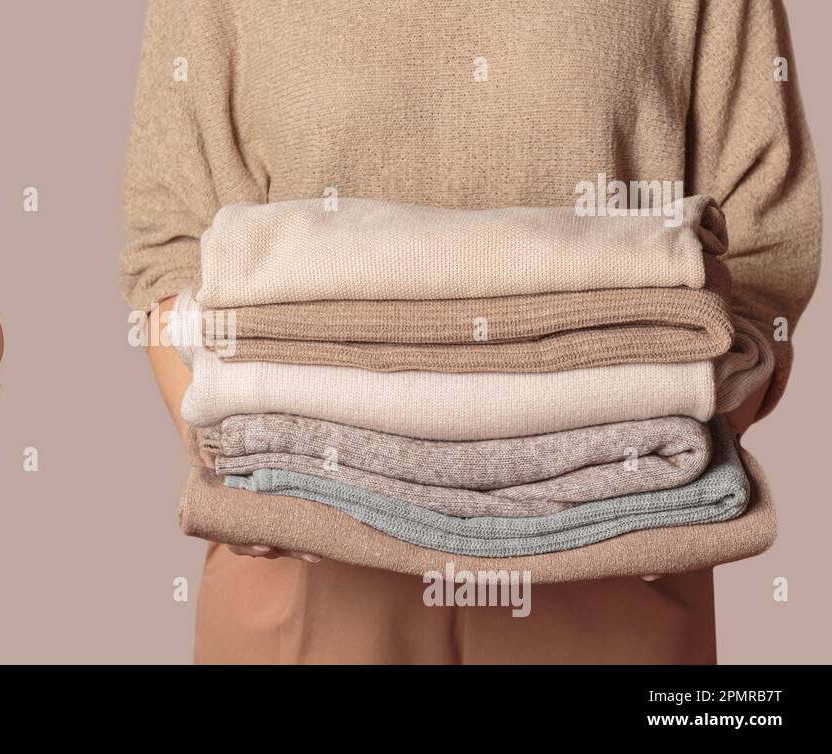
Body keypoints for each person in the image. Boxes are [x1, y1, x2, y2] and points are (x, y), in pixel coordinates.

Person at [119, 0, 821, 663]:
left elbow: (764, 239)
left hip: (620, 569)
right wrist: (250, 468)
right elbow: (171, 245)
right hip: (305, 583)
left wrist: (638, 467)